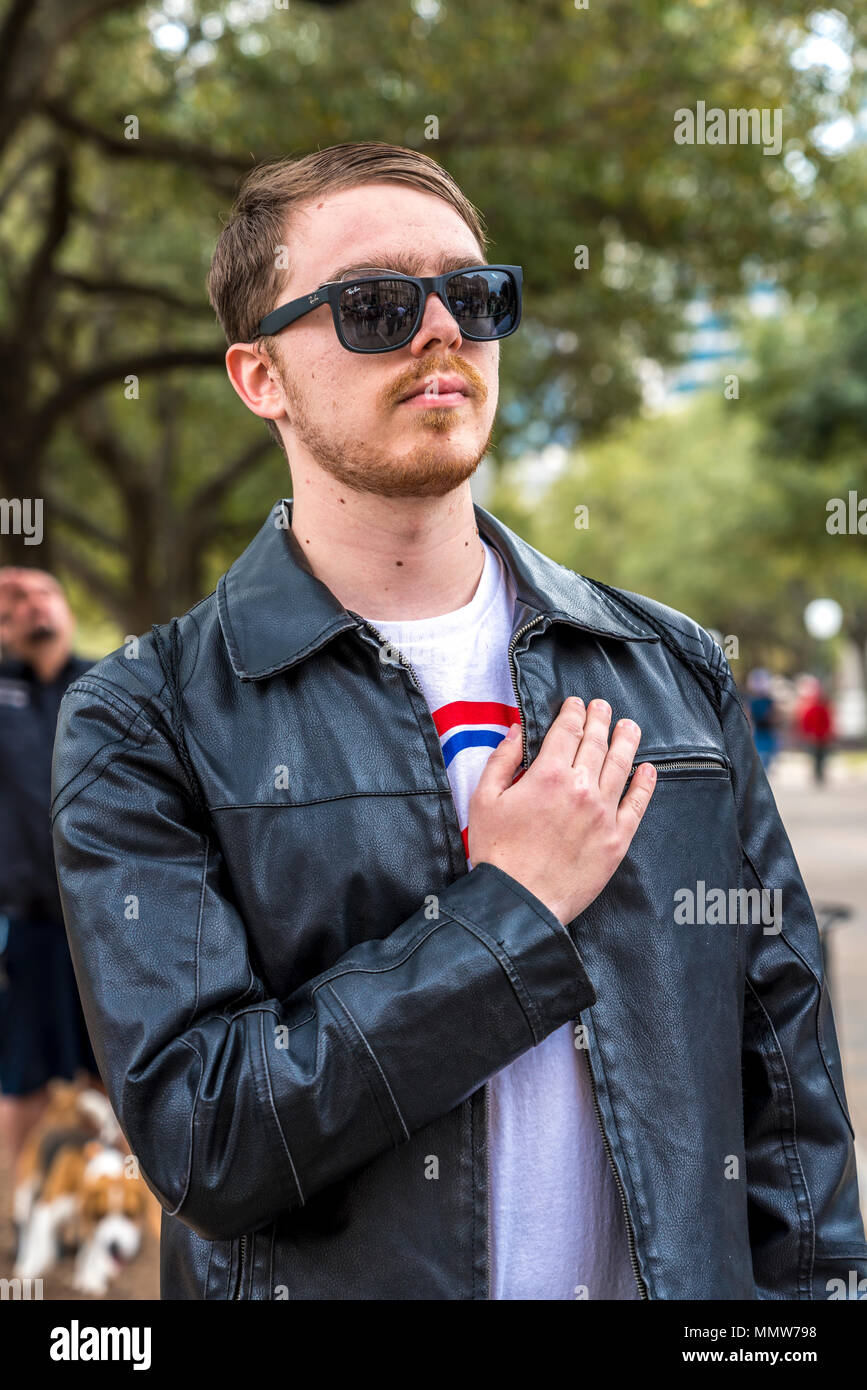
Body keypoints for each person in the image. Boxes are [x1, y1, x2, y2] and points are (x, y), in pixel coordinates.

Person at [50, 142, 867, 1300]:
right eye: (376, 305)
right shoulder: (144, 719)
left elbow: (787, 1104)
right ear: (259, 377)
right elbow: (204, 1137)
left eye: (473, 297)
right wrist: (509, 913)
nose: (441, 329)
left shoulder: (670, 668)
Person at [0, 568, 101, 1166]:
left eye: (45, 593)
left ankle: (117, 1200)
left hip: (105, 918)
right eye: (14, 600)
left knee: (117, 1066)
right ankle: (13, 1213)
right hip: (27, 923)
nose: (33, 606)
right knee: (24, 1075)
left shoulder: (107, 684)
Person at [795, 675, 835, 784]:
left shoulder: (823, 708)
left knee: (821, 756)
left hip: (822, 736)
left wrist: (829, 733)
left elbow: (828, 722)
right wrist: (808, 733)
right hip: (815, 736)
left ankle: (820, 774)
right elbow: (806, 722)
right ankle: (817, 774)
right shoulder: (812, 708)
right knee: (816, 756)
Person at [746, 667, 779, 773]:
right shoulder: (753, 701)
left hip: (767, 731)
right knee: (761, 755)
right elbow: (749, 715)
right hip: (759, 731)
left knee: (767, 755)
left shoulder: (769, 701)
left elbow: (774, 716)